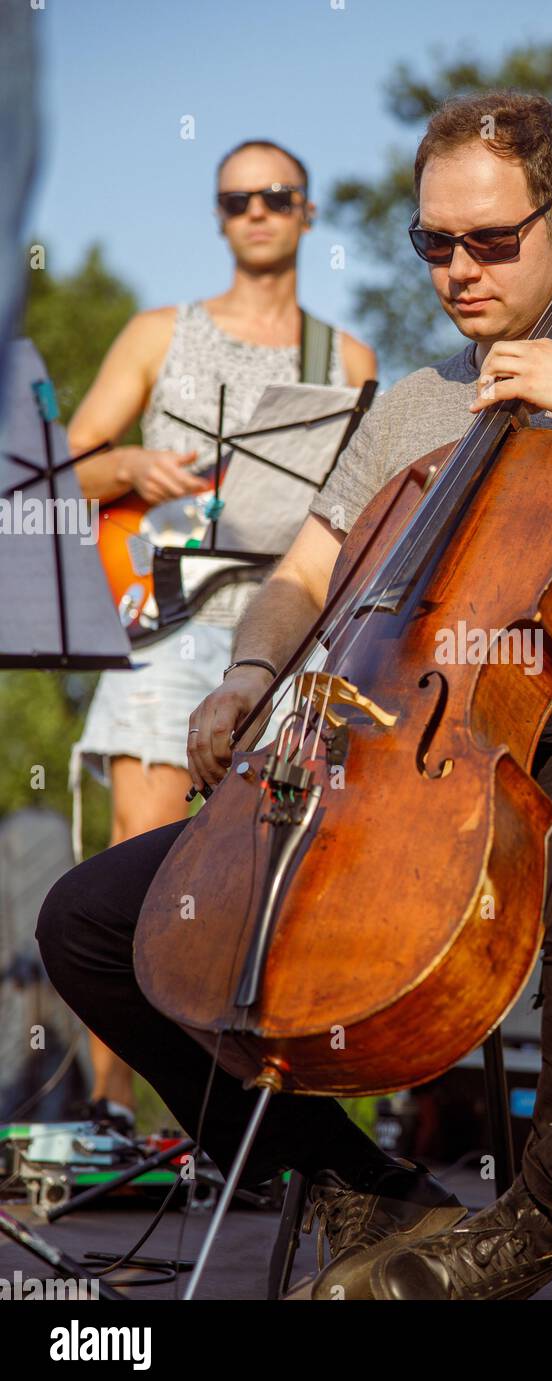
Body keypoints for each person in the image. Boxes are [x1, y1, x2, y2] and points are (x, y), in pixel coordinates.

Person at [38, 92, 552, 1301]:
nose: (457, 270)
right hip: (387, 738)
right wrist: (255, 672)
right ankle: (357, 1183)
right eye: (431, 245)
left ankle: (543, 1216)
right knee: (94, 922)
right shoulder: (413, 403)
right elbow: (306, 573)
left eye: (488, 241)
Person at [65, 138, 376, 1128]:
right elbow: (62, 470)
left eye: (277, 195)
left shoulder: (349, 360)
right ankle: (116, 1121)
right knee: (138, 865)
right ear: (218, 213)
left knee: (268, 878)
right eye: (238, 197)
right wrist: (130, 469)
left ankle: (247, 1129)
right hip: (169, 615)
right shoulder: (160, 332)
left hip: (289, 629)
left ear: (307, 213)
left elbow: (372, 509)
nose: (257, 210)